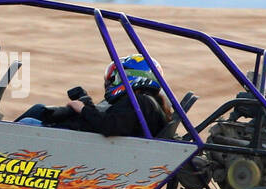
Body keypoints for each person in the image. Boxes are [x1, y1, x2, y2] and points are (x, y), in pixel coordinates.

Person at [15, 54, 170, 137]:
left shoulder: (141, 102)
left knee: (28, 122)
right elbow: (114, 121)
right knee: (40, 110)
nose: (110, 82)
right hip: (86, 141)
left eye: (114, 77)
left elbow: (109, 126)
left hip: (83, 146)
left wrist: (83, 109)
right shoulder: (148, 103)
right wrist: (86, 103)